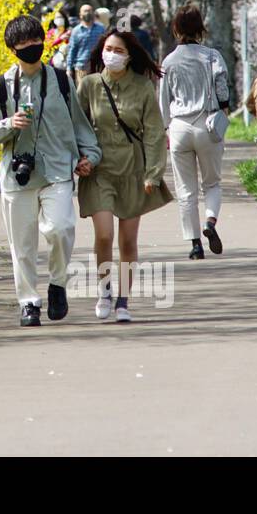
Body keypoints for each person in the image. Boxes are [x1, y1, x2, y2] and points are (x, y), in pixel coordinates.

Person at [0, 15, 102, 327]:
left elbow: (80, 125)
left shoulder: (61, 81)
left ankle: (58, 283)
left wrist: (90, 154)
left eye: (36, 42)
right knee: (22, 244)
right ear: (12, 49)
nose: (30, 49)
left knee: (60, 228)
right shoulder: (0, 87)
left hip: (58, 169)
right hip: (16, 176)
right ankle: (28, 302)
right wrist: (9, 124)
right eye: (23, 45)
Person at [77, 29, 172, 322]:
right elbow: (77, 126)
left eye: (119, 50)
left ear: (129, 56)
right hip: (99, 169)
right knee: (104, 235)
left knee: (128, 242)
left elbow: (155, 132)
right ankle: (104, 290)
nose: (112, 55)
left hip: (133, 169)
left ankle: (123, 301)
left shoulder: (143, 87)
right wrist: (78, 159)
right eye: (108, 48)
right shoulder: (90, 85)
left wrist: (154, 174)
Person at [158, 6, 230, 260]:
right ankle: (210, 222)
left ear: (175, 29)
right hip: (207, 124)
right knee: (212, 183)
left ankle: (195, 244)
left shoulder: (168, 62)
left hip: (179, 127)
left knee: (185, 190)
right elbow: (222, 89)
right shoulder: (211, 56)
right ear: (201, 29)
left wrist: (166, 128)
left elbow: (163, 100)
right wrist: (224, 108)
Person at [65, 4, 105, 84]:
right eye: (85, 11)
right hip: (81, 68)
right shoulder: (76, 31)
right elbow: (72, 50)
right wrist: (69, 68)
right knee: (82, 94)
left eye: (90, 11)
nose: (88, 13)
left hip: (97, 67)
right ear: (80, 15)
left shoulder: (101, 28)